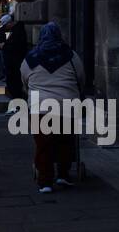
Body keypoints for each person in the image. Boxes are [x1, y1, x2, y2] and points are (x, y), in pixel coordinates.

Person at [20, 22, 89, 193]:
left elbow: (24, 79)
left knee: (43, 144)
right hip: (67, 105)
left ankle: (45, 182)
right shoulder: (71, 56)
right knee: (65, 141)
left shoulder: (31, 57)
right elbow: (81, 78)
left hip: (40, 108)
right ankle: (63, 175)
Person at [0, 14, 29, 99]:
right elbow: (3, 40)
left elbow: (16, 45)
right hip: (9, 59)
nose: (4, 27)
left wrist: (5, 45)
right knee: (10, 76)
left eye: (5, 25)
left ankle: (17, 95)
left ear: (10, 23)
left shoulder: (18, 30)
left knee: (16, 78)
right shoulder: (7, 30)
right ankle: (13, 93)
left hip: (16, 59)